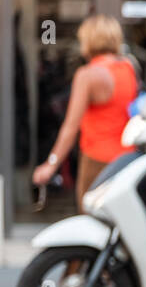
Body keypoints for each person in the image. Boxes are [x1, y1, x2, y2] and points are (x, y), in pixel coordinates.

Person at [32, 15, 139, 212]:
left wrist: (51, 163)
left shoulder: (88, 75)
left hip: (96, 160)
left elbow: (71, 127)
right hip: (126, 158)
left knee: (91, 220)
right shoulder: (128, 67)